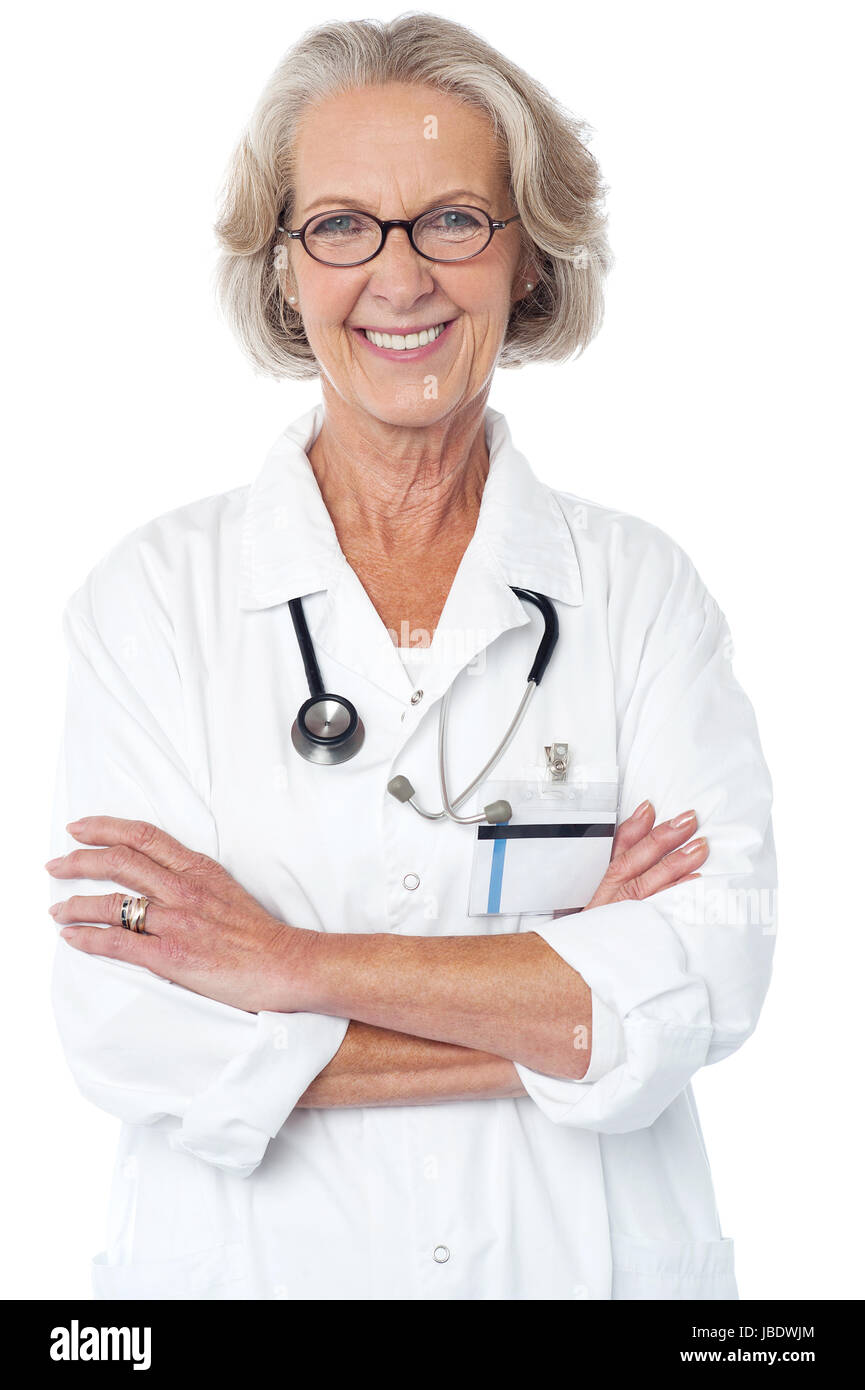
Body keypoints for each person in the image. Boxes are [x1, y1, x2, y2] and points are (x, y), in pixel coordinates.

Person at [46, 14, 776, 1301]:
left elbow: (706, 977)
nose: (400, 278)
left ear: (529, 260)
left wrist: (288, 968)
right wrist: (562, 996)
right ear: (281, 269)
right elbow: (134, 1031)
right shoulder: (150, 604)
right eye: (340, 224)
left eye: (453, 219)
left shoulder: (640, 594)